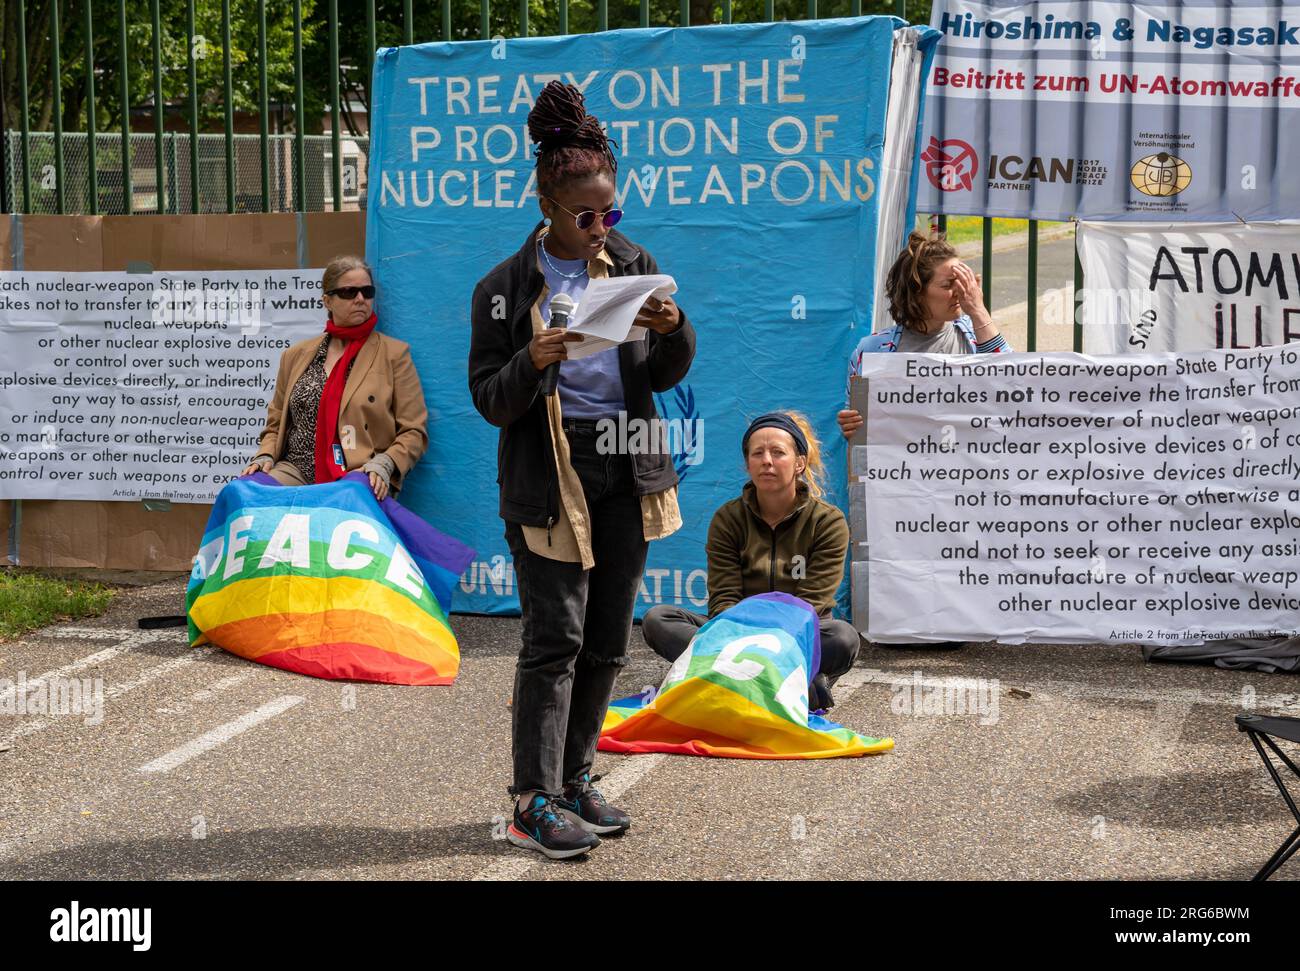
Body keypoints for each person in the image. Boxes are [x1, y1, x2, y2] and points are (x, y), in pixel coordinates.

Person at [468, 81, 696, 860]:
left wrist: (674, 328)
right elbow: (490, 401)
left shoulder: (633, 262)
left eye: (612, 213)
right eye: (587, 215)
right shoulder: (503, 290)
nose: (602, 229)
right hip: (548, 472)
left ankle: (574, 776)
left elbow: (664, 375)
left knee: (606, 636)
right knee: (554, 636)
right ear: (547, 205)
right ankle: (532, 798)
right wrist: (531, 360)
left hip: (624, 463)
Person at [642, 412, 858, 712]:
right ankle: (789, 683)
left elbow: (812, 603)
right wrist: (743, 644)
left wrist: (769, 648)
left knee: (844, 638)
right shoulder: (728, 519)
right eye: (758, 453)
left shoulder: (828, 522)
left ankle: (730, 679)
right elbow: (724, 597)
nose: (766, 461)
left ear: (799, 463)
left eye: (778, 452)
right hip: (735, 632)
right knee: (657, 619)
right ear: (747, 464)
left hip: (799, 633)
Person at [241, 256, 427, 500]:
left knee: (349, 499)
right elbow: (275, 423)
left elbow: (414, 431)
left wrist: (386, 463)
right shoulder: (295, 355)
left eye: (367, 292)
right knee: (242, 492)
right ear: (327, 300)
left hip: (358, 472)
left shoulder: (394, 354)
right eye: (349, 292)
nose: (361, 299)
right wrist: (265, 455)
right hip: (295, 470)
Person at [838, 231, 1011, 440]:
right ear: (917, 292)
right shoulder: (872, 351)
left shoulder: (976, 334)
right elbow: (860, 437)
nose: (960, 292)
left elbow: (1010, 388)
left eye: (963, 283)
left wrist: (978, 310)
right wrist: (852, 426)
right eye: (948, 285)